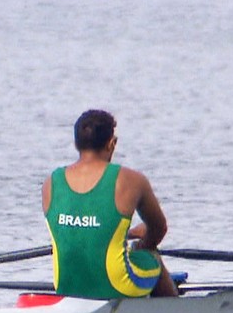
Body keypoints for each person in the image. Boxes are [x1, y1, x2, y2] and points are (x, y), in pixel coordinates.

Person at [42, 109, 179, 299]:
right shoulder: (132, 180)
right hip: (116, 285)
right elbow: (158, 229)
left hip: (65, 286)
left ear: (76, 144)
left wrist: (126, 233)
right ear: (111, 143)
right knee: (150, 255)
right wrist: (142, 244)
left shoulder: (51, 182)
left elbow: (82, 229)